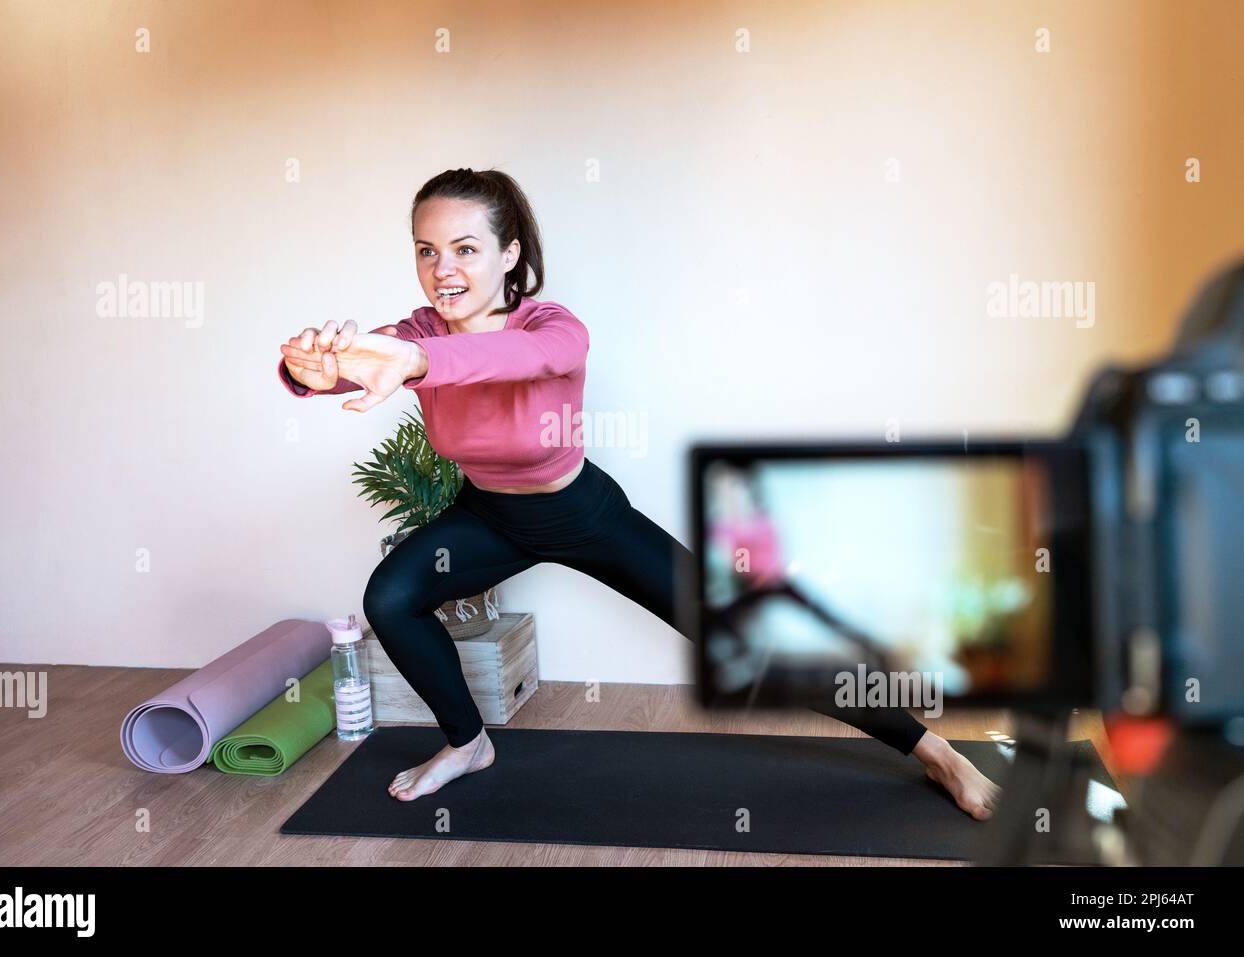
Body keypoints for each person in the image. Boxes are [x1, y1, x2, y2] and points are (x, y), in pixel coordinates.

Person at [277, 167, 1001, 820]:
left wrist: (415, 359)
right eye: (427, 250)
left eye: (466, 248)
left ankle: (934, 749)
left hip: (582, 515)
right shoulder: (416, 334)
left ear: (510, 254)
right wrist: (313, 370)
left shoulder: (550, 329)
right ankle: (468, 743)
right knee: (391, 597)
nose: (443, 269)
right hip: (490, 516)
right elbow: (358, 363)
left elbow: (510, 357)